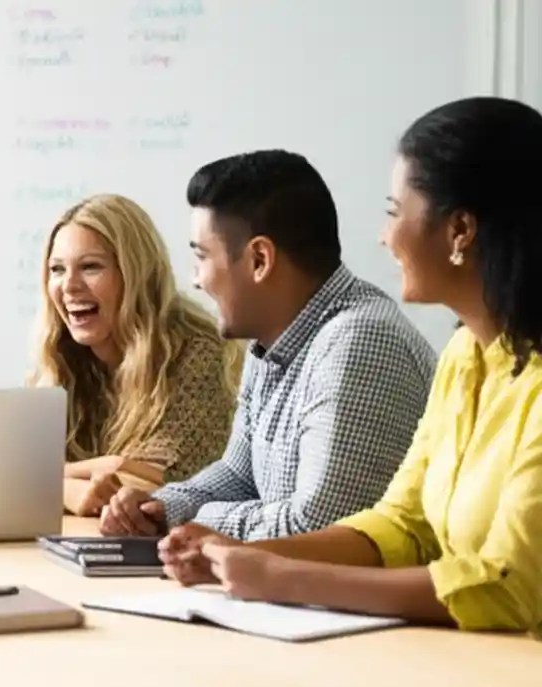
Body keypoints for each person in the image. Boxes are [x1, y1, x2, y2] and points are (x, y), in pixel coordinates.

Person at [158, 97, 542, 633]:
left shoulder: (364, 338)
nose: (384, 237)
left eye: (393, 212)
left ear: (459, 232)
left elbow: (505, 587)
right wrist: (242, 553)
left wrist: (281, 574)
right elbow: (402, 525)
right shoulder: (466, 355)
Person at [102, 149, 437, 541]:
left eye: (202, 257)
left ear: (260, 259)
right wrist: (161, 507)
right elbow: (239, 473)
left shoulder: (360, 342)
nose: (196, 280)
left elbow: (318, 527)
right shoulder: (273, 337)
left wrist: (198, 521)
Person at [29, 194, 240, 517]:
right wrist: (91, 474)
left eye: (90, 267)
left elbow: (150, 486)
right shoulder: (60, 360)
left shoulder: (197, 352)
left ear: (135, 274)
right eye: (57, 269)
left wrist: (55, 480)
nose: (69, 286)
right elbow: (5, 474)